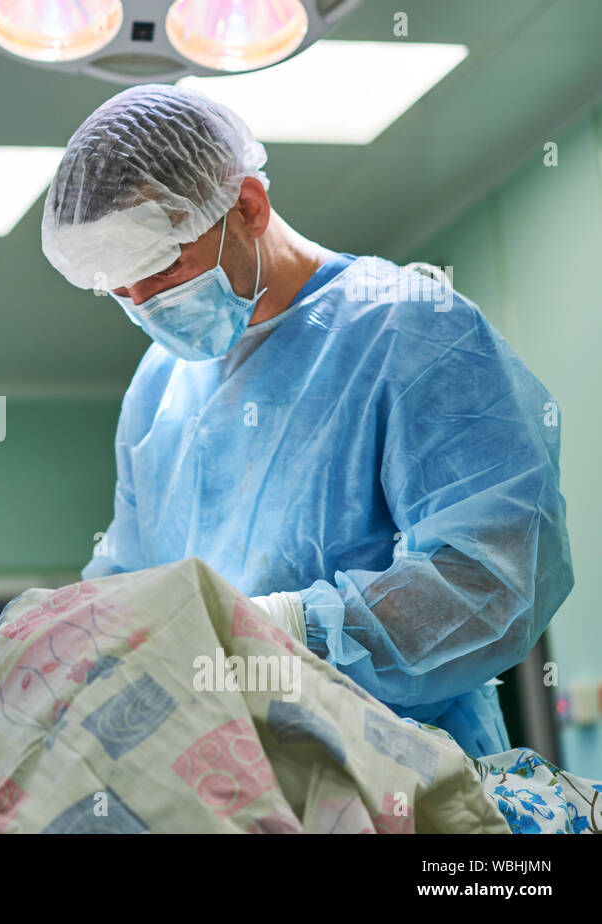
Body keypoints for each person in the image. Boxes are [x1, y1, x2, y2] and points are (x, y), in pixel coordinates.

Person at [40, 85, 573, 757]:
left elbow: (495, 577)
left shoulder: (410, 330)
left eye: (163, 268)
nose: (146, 304)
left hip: (397, 770)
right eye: (120, 290)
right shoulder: (159, 387)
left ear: (247, 207)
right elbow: (131, 585)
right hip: (220, 774)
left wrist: (290, 627)